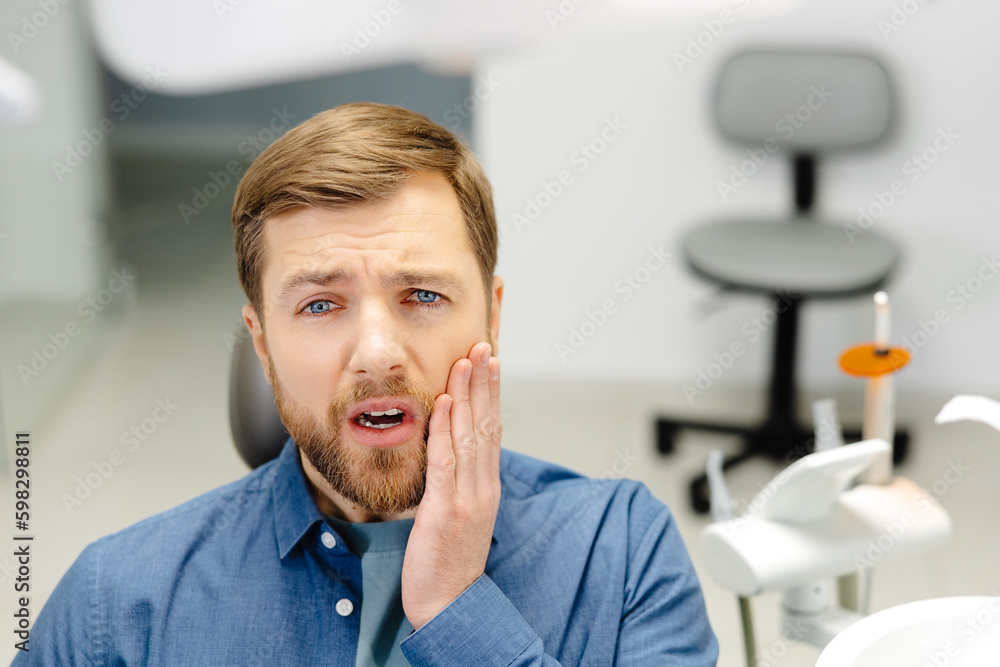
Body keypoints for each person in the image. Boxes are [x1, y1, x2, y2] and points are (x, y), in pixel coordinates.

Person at [15, 102, 718, 666]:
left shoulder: (623, 553)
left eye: (423, 295)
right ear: (262, 342)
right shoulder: (117, 603)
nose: (378, 353)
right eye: (320, 305)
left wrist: (459, 611)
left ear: (493, 317)